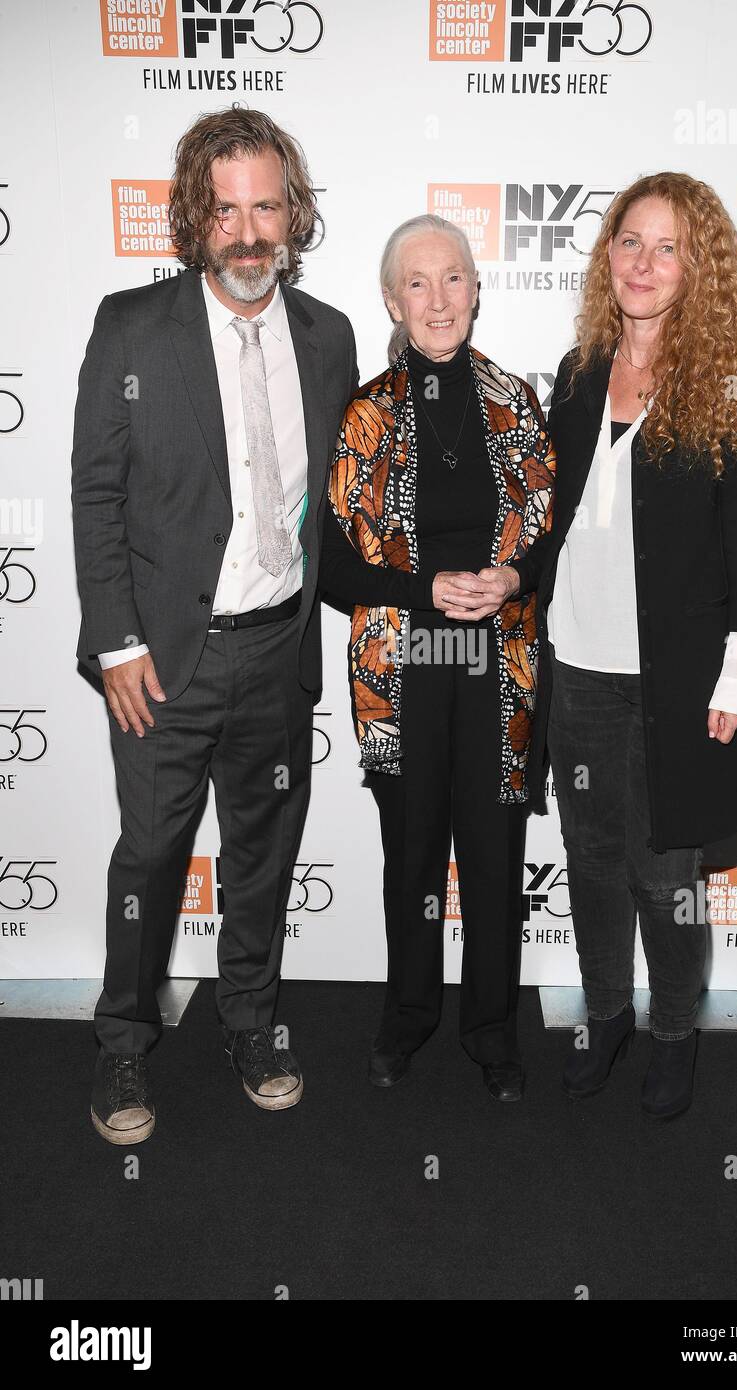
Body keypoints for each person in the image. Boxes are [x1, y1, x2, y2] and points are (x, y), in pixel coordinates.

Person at [71, 106, 358, 1143]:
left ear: (293, 213)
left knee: (262, 855)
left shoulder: (328, 337)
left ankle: (250, 1021)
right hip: (161, 662)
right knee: (148, 859)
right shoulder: (132, 326)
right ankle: (121, 1045)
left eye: (266, 207)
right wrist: (116, 642)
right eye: (225, 210)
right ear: (197, 218)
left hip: (278, 649)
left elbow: (337, 502)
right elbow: (97, 490)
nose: (247, 233)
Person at [510, 172, 737, 1119]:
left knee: (669, 877)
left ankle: (673, 1034)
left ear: (697, 268)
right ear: (607, 254)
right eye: (630, 241)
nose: (644, 262)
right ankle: (605, 1017)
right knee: (590, 860)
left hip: (678, 683)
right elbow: (558, 519)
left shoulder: (729, 389)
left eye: (668, 247)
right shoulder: (581, 373)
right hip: (577, 667)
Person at [321, 214, 555, 1101]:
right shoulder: (368, 413)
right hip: (403, 664)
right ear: (392, 299)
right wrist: (427, 592)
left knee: (494, 858)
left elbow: (549, 538)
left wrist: (511, 576)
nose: (438, 298)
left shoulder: (513, 403)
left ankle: (492, 1033)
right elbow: (336, 565)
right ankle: (407, 1017)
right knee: (412, 855)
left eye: (452, 277)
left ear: (476, 289)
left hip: (500, 668)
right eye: (417, 283)